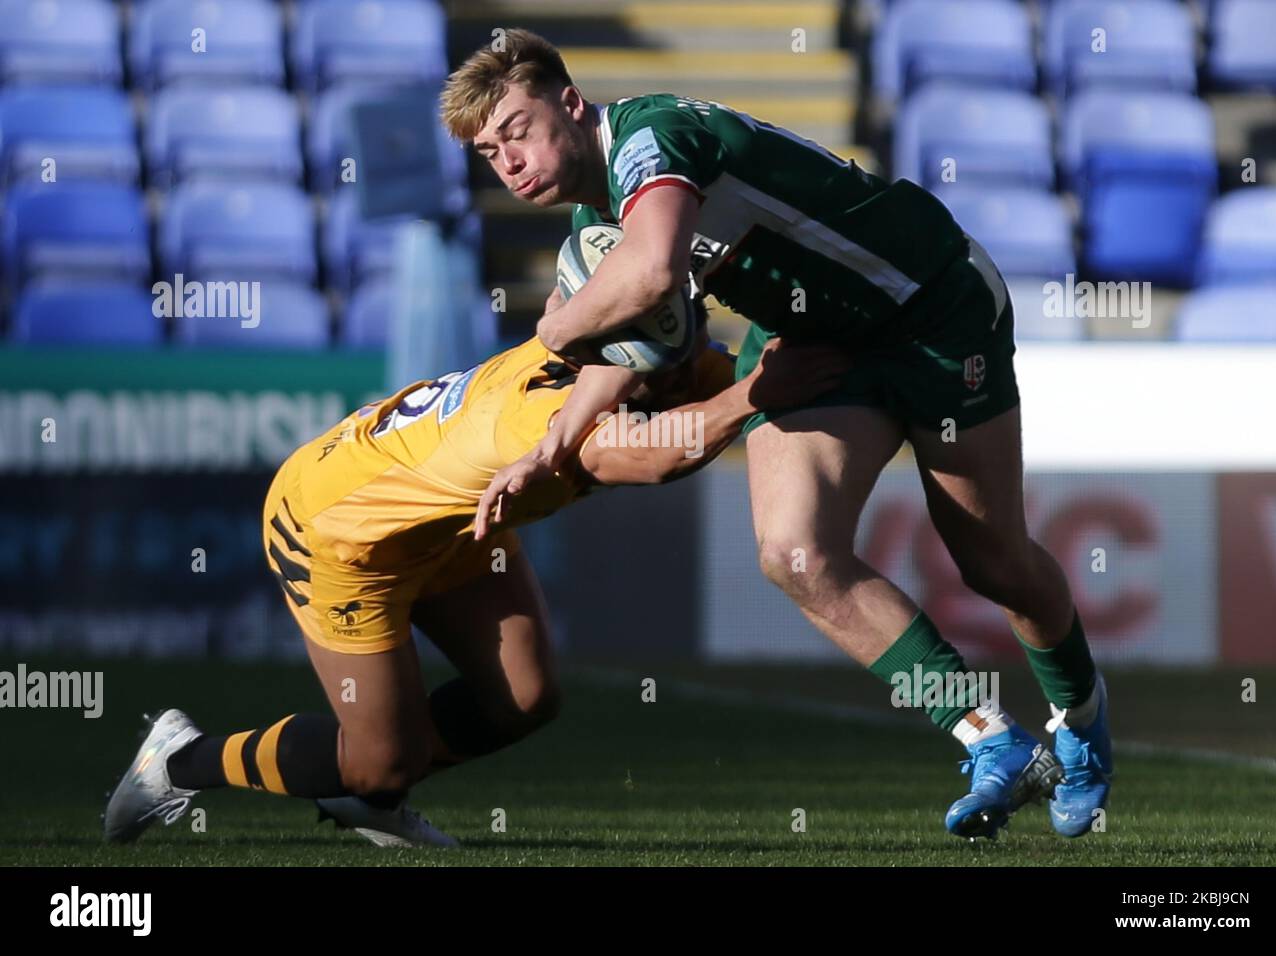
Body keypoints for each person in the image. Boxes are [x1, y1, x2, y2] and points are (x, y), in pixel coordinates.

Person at [441, 28, 1112, 840]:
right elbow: (625, 345)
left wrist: (549, 334)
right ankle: (988, 737)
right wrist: (546, 447)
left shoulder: (652, 136)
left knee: (992, 559)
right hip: (813, 343)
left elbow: (651, 272)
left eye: (516, 130)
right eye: (488, 152)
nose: (507, 161)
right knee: (794, 552)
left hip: (931, 306)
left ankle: (1080, 720)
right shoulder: (595, 221)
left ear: (572, 104)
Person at [103, 325, 845, 847]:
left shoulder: (640, 352)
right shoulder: (537, 419)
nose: (687, 361)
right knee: (378, 761)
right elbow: (659, 454)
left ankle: (372, 799)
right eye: (663, 349)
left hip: (448, 524)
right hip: (343, 533)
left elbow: (731, 366)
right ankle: (180, 759)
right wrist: (757, 393)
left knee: (523, 697)